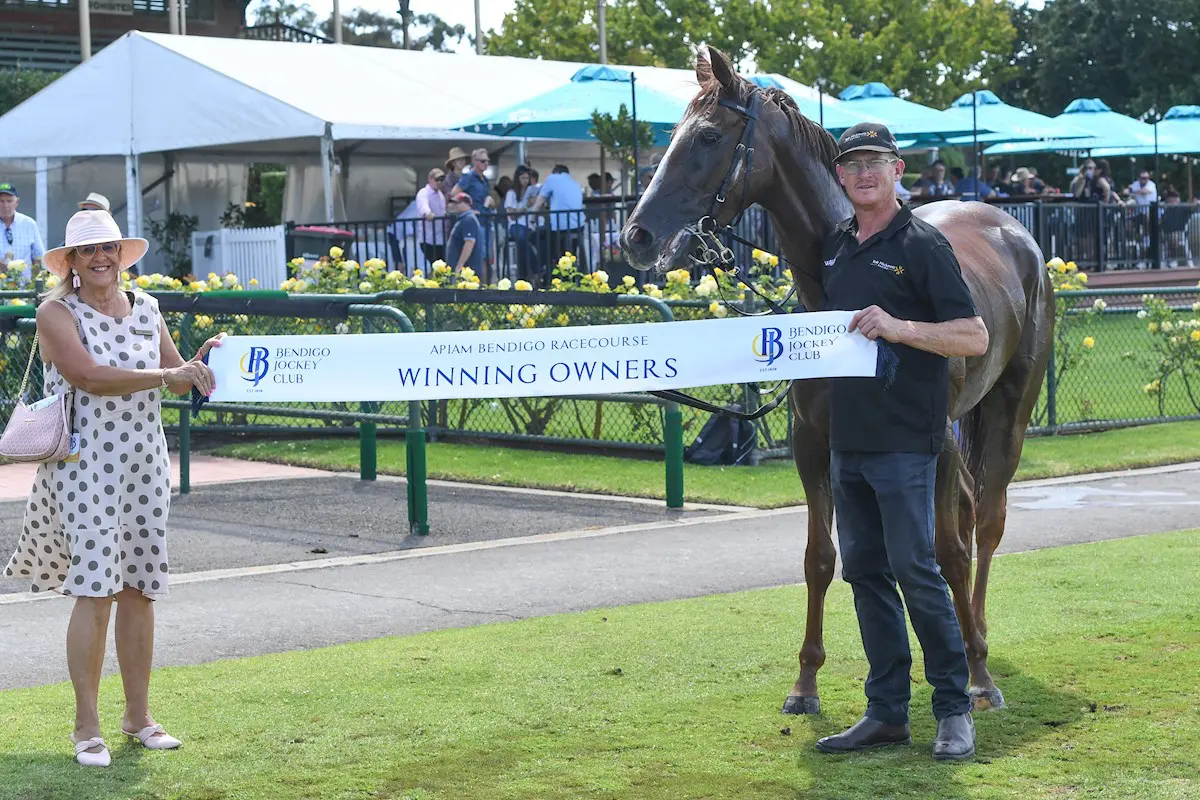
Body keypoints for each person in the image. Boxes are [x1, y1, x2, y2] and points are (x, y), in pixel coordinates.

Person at [3, 210, 221, 767]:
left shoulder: (147, 307)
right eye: (88, 250)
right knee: (95, 591)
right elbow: (87, 376)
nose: (101, 257)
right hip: (84, 467)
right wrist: (166, 377)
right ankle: (86, 728)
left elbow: (176, 370)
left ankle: (139, 717)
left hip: (143, 464)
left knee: (141, 589)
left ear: (122, 255)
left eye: (109, 248)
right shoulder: (55, 312)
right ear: (71, 262)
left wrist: (208, 362)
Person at [815, 122, 987, 762]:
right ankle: (887, 712)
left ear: (897, 172)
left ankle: (952, 708)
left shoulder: (922, 245)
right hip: (848, 440)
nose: (864, 173)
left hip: (906, 441)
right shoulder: (834, 247)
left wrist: (900, 327)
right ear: (840, 176)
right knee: (863, 571)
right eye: (852, 163)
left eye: (875, 162)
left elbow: (973, 337)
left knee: (916, 568)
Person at [530, 164, 586, 276]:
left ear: (555, 172)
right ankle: (568, 271)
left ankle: (545, 269)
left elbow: (539, 201)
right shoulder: (575, 183)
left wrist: (531, 219)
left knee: (535, 236)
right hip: (579, 226)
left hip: (560, 227)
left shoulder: (552, 178)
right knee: (568, 250)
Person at [455, 148, 496, 268]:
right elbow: (454, 194)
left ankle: (486, 285)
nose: (486, 163)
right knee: (480, 257)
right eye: (483, 161)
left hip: (487, 221)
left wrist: (491, 201)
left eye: (487, 161)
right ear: (474, 161)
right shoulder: (468, 177)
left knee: (487, 257)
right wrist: (468, 211)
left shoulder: (485, 180)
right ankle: (481, 286)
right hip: (476, 223)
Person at [0, 181, 47, 280]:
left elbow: (38, 258)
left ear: (17, 202)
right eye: (1, 201)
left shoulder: (29, 224)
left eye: (9, 201)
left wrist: (35, 282)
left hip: (25, 288)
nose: (5, 205)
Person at [504, 165, 540, 280]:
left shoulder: (532, 192)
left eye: (527, 178)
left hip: (530, 225)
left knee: (543, 241)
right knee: (522, 239)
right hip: (516, 225)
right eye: (522, 178)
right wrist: (525, 207)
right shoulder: (512, 193)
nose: (525, 181)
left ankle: (539, 270)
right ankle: (533, 270)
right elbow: (511, 215)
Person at [414, 167, 447, 267]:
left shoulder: (441, 195)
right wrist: (428, 213)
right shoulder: (423, 193)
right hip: (428, 239)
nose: (439, 182)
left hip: (441, 239)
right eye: (437, 179)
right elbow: (423, 206)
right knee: (434, 266)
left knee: (441, 268)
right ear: (430, 179)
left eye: (442, 180)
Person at [445, 191, 483, 273]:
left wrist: (459, 266)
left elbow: (469, 243)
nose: (454, 205)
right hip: (462, 271)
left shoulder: (469, 219)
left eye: (457, 202)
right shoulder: (464, 219)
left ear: (466, 204)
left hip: (466, 272)